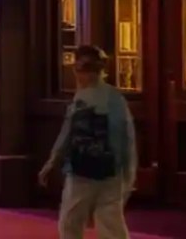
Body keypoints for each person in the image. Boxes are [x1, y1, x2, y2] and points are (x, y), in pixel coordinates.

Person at [38, 45, 136, 239]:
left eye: (78, 70)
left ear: (86, 72)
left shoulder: (81, 99)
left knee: (70, 222)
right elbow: (128, 141)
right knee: (111, 225)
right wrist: (128, 175)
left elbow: (67, 133)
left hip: (81, 172)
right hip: (111, 172)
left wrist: (52, 162)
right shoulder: (116, 98)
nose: (77, 76)